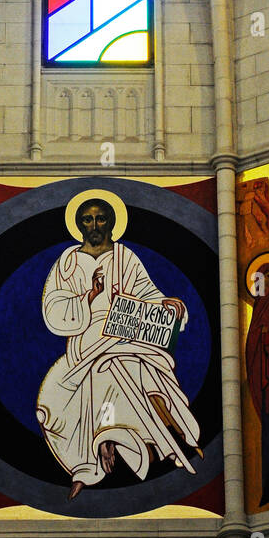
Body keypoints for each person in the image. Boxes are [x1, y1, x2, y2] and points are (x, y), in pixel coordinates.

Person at [37, 196, 200, 500]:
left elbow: (146, 292)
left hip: (125, 333)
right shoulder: (67, 262)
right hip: (85, 336)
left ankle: (138, 437)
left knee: (126, 366)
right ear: (79, 224)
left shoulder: (125, 257)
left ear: (111, 223)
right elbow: (53, 307)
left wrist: (166, 303)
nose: (95, 225)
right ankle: (90, 458)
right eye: (88, 219)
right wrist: (87, 296)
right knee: (67, 392)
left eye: (101, 219)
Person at [244, 260, 269, 505]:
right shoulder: (259, 302)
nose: (265, 280)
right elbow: (253, 336)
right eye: (264, 275)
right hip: (260, 368)